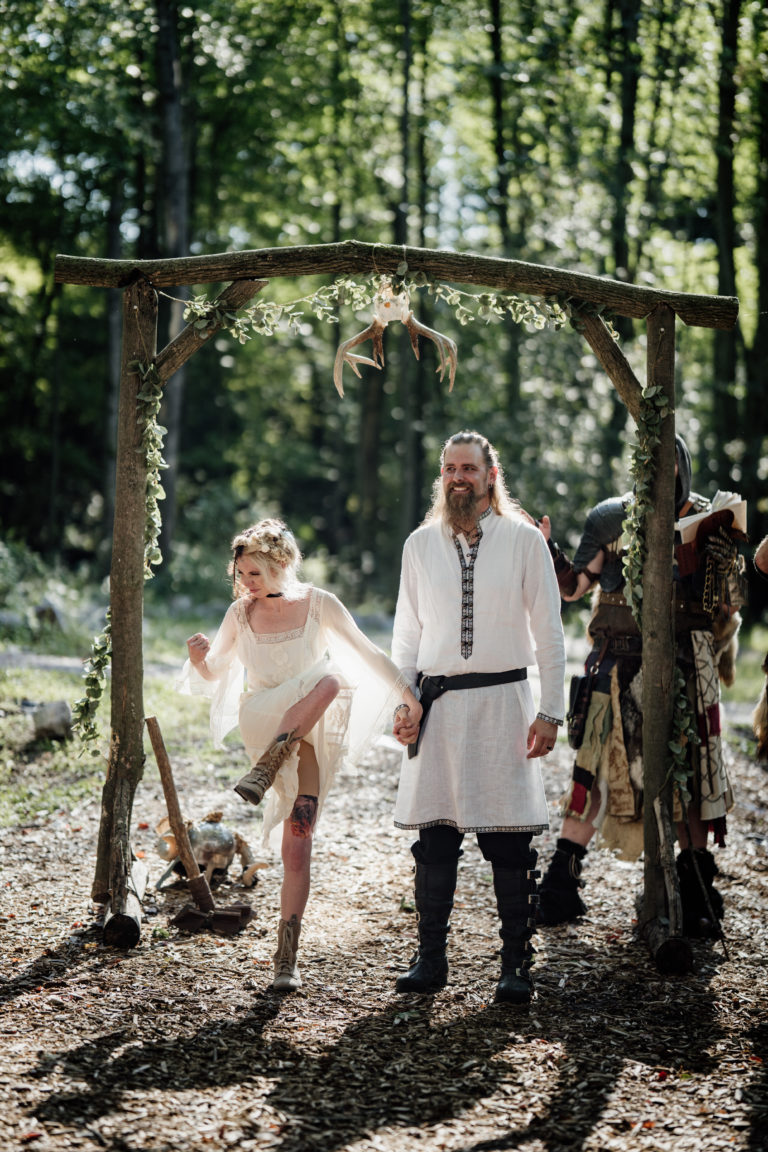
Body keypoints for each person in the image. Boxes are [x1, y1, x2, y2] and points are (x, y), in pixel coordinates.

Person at [178, 518, 422, 992]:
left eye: (255, 573)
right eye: (241, 574)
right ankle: (267, 763)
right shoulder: (240, 613)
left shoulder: (319, 604)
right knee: (331, 679)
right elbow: (215, 673)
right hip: (262, 717)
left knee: (299, 839)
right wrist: (198, 659)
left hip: (306, 737)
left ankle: (286, 957)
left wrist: (408, 697)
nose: (246, 583)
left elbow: (367, 652)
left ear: (283, 564)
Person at [536, 435, 745, 937]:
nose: (659, 469)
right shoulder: (611, 517)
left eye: (669, 461)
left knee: (690, 772)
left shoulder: (709, 518)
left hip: (686, 665)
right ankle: (561, 884)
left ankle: (694, 890)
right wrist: (547, 550)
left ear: (682, 465)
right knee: (593, 772)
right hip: (617, 663)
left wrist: (724, 559)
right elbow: (573, 588)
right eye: (651, 459)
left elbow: (731, 605)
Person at [390, 431, 566, 1005]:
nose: (458, 478)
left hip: (504, 705)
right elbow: (406, 636)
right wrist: (405, 700)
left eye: (468, 468)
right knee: (436, 840)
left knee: (509, 842)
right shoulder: (420, 544)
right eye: (449, 469)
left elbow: (550, 632)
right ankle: (430, 960)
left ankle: (516, 964)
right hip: (439, 708)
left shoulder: (523, 540)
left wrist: (550, 711)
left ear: (492, 474)